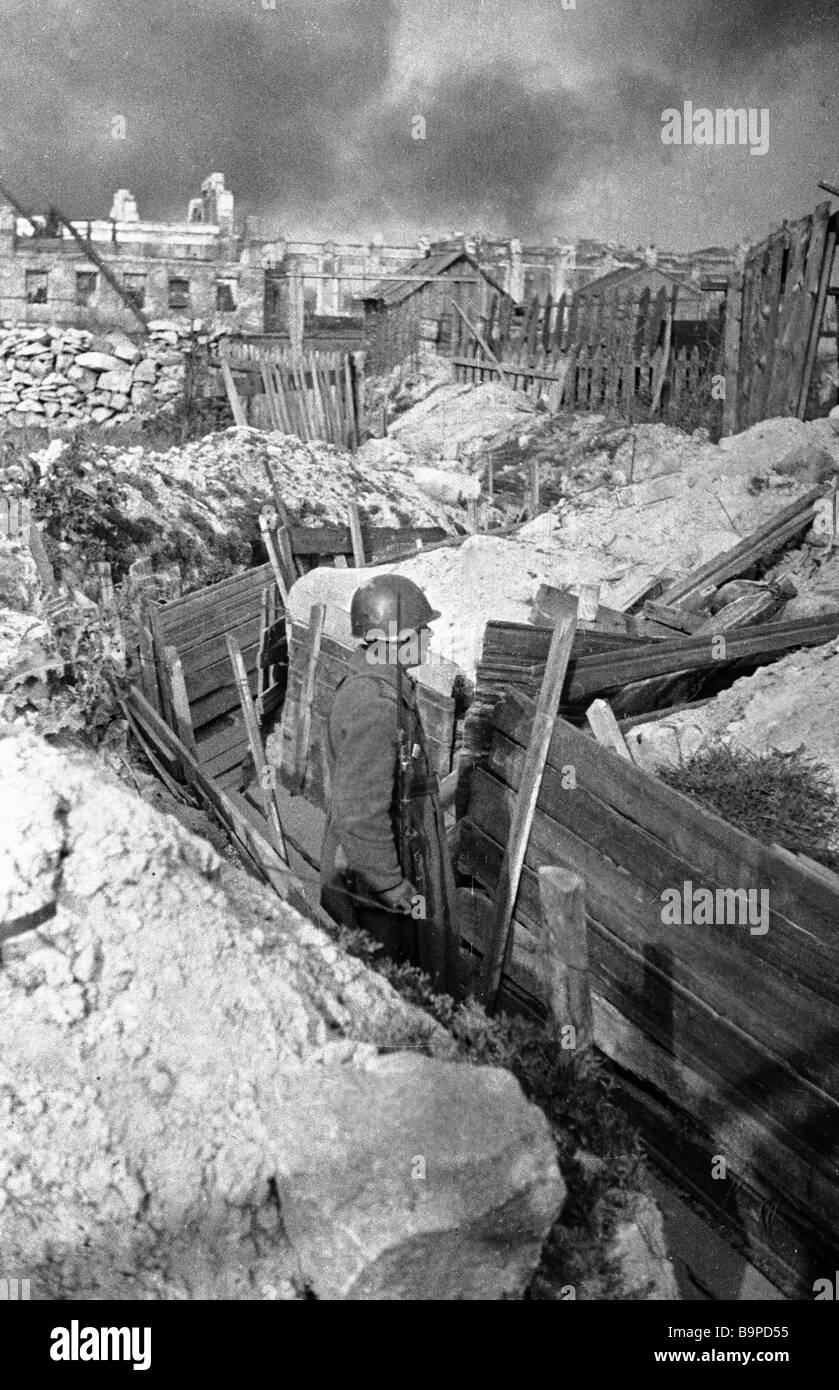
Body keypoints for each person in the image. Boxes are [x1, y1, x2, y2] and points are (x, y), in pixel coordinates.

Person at [319, 573, 440, 963]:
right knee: (386, 971)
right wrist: (390, 885)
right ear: (398, 641)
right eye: (422, 632)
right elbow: (360, 810)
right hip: (372, 884)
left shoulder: (377, 683)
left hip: (370, 867)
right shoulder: (376, 705)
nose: (428, 640)